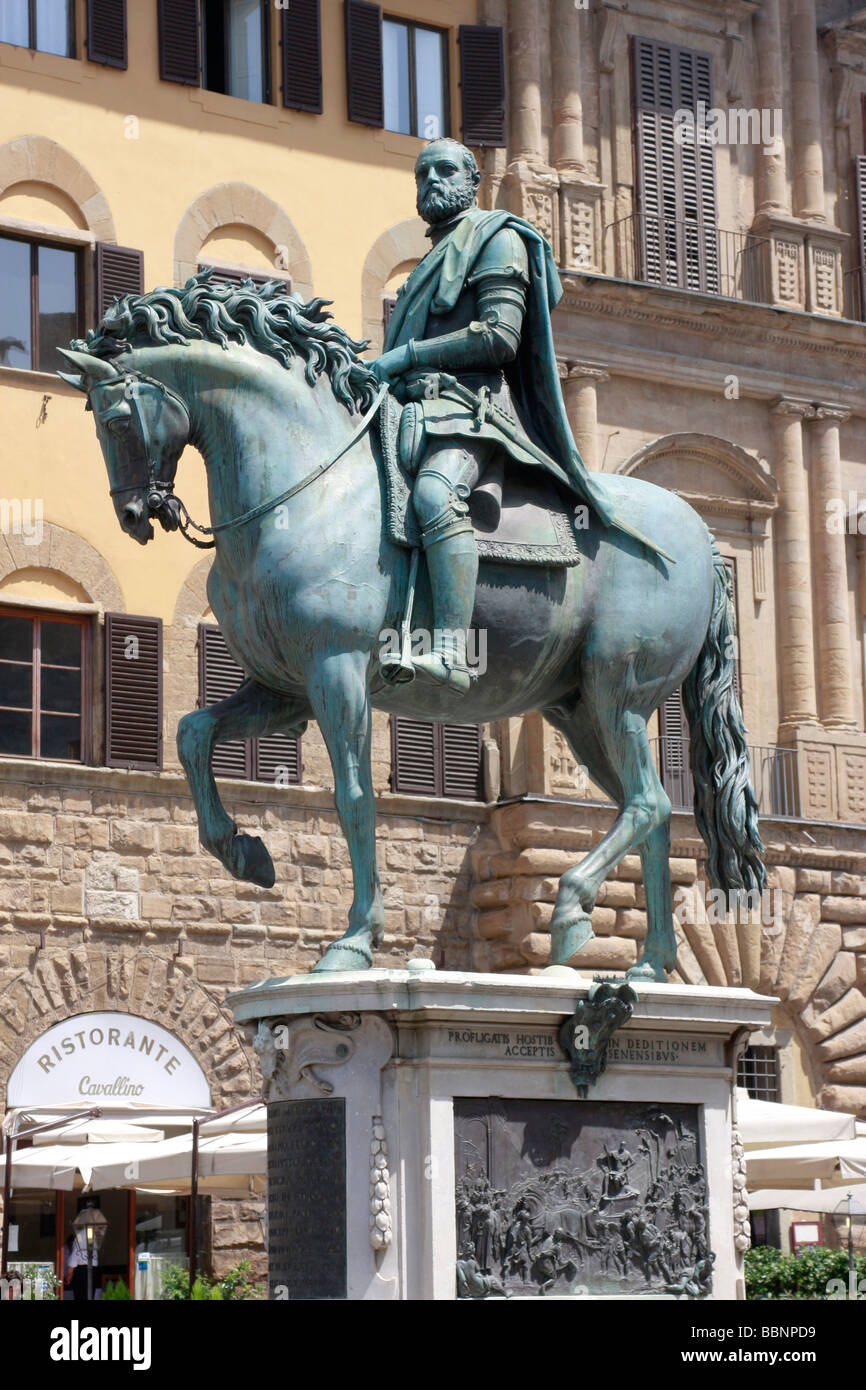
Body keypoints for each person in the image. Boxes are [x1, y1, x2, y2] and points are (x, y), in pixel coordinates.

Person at [372, 138, 664, 692]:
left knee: (436, 495)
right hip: (413, 407)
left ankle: (454, 650)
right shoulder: (427, 261)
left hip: (471, 411)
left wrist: (407, 356)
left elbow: (499, 336)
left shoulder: (497, 238)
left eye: (444, 171)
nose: (431, 181)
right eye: (421, 174)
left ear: (472, 179)